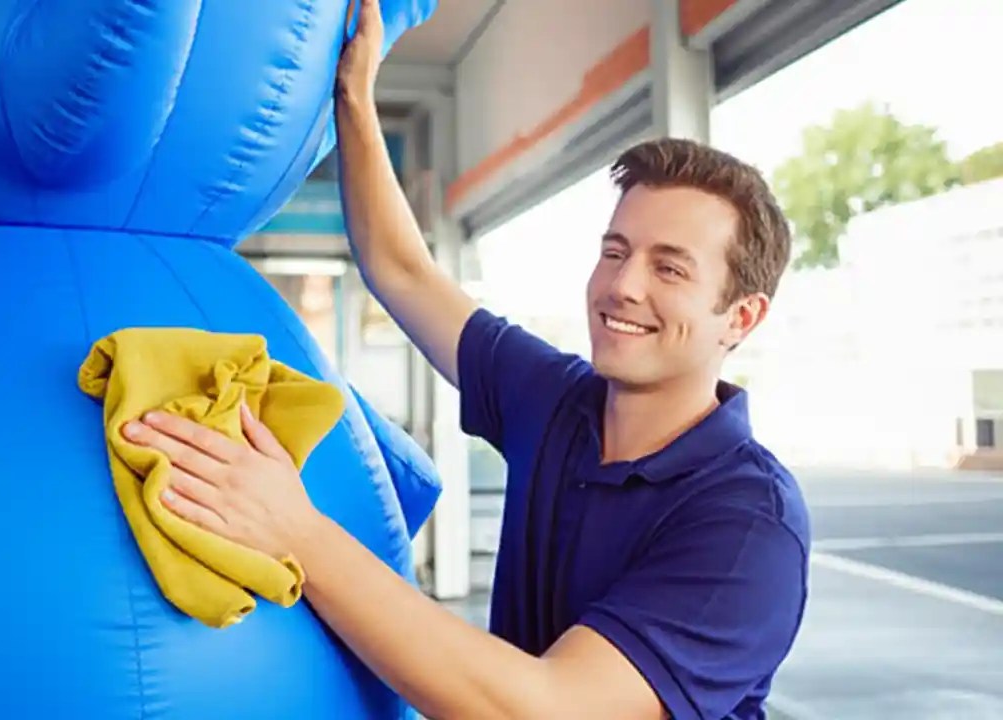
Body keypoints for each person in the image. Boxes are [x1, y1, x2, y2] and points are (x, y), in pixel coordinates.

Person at [121, 0, 811, 717]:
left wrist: (295, 531)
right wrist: (356, 98)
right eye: (615, 251)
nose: (622, 286)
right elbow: (404, 271)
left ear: (742, 317)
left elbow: (544, 710)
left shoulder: (749, 526)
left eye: (669, 269)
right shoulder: (558, 399)